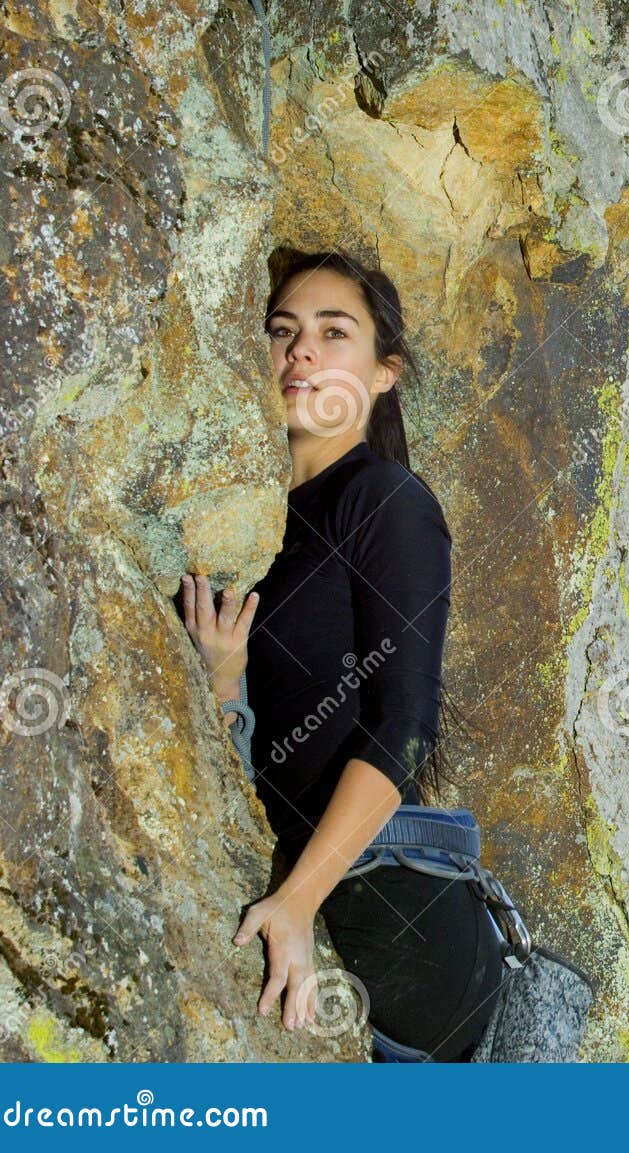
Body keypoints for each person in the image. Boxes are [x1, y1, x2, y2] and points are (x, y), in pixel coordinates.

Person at [178, 250, 508, 1061]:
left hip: (401, 919)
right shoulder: (247, 522)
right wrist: (224, 682)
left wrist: (295, 902)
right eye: (283, 330)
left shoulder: (387, 499)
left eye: (335, 331)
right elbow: (256, 772)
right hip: (317, 884)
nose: (302, 350)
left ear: (383, 373)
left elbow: (405, 725)